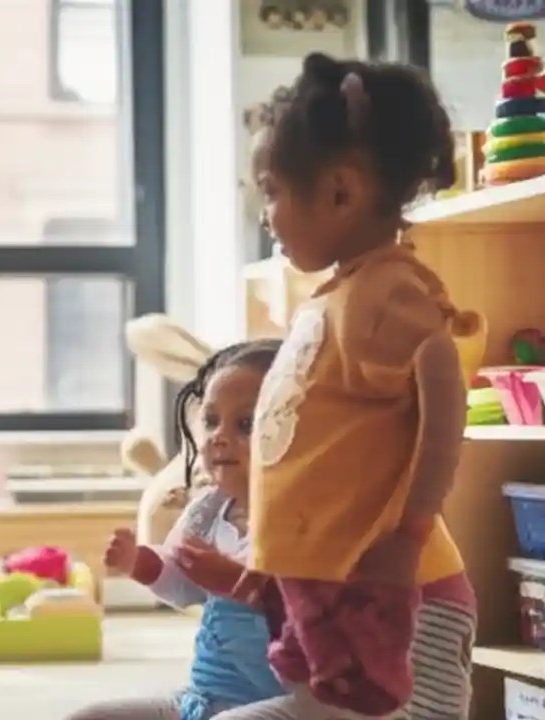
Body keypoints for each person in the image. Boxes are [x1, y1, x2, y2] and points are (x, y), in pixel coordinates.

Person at [215, 53, 476, 719]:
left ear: (340, 192)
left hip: (378, 584)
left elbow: (443, 391)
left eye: (272, 191)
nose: (267, 213)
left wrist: (411, 533)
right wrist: (276, 552)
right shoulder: (340, 293)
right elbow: (318, 447)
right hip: (326, 582)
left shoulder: (385, 292)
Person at [69, 341, 286, 720]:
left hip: (281, 704)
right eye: (211, 420)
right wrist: (141, 562)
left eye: (246, 424)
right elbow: (182, 586)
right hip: (204, 698)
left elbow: (312, 609)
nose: (219, 436)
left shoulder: (306, 521)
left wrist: (237, 582)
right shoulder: (209, 509)